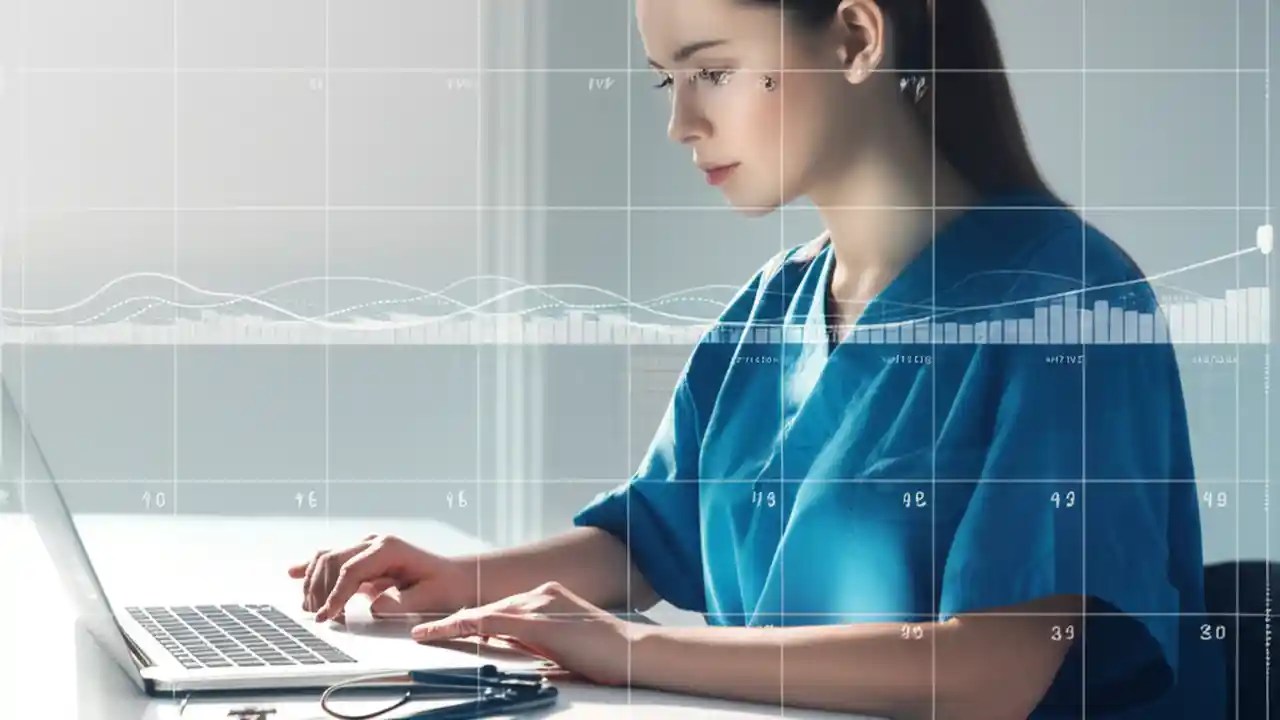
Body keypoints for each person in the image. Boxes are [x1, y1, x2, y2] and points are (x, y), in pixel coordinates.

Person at [289, 1, 1225, 717]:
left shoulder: (1068, 305)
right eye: (666, 81)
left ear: (856, 38)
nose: (682, 123)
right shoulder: (775, 301)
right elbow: (649, 540)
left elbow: (996, 670)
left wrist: (632, 651)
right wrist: (457, 579)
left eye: (713, 71)